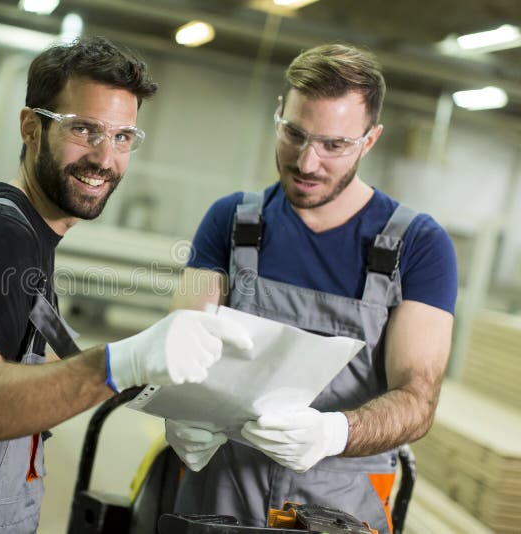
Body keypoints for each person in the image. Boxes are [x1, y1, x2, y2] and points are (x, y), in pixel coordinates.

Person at [0, 36, 253, 533]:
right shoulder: (2, 236)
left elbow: (28, 365)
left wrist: (171, 399)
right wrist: (120, 361)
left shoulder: (23, 232)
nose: (104, 158)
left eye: (122, 136)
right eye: (83, 129)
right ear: (31, 127)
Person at [165, 43, 457, 533]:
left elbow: (417, 399)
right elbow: (182, 340)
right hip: (218, 494)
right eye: (294, 133)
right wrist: (180, 407)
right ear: (278, 114)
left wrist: (334, 430)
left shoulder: (419, 246)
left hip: (341, 508)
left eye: (334, 145)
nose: (307, 162)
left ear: (370, 140)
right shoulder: (231, 222)